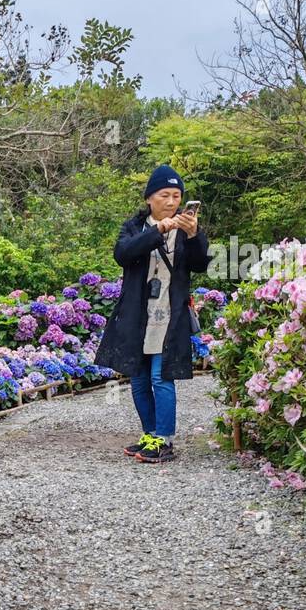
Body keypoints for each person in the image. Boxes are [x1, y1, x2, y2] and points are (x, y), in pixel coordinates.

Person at [95, 164, 210, 464]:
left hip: (169, 316)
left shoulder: (187, 231)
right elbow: (123, 253)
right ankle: (150, 435)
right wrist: (158, 230)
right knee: (138, 377)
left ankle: (165, 440)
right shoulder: (134, 227)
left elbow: (200, 264)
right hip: (138, 315)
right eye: (164, 195)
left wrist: (195, 234)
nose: (172, 202)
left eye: (176, 196)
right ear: (150, 198)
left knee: (161, 377)